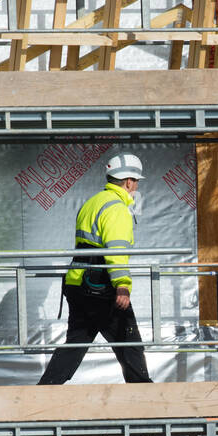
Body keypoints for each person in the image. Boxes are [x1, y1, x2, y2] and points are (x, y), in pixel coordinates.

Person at [37, 152, 153, 385]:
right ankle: (143, 394)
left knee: (77, 343)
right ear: (128, 181)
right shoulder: (117, 208)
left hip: (78, 282)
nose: (136, 186)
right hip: (99, 286)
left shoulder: (93, 202)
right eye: (136, 181)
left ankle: (44, 391)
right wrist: (122, 285)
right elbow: (116, 251)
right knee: (128, 341)